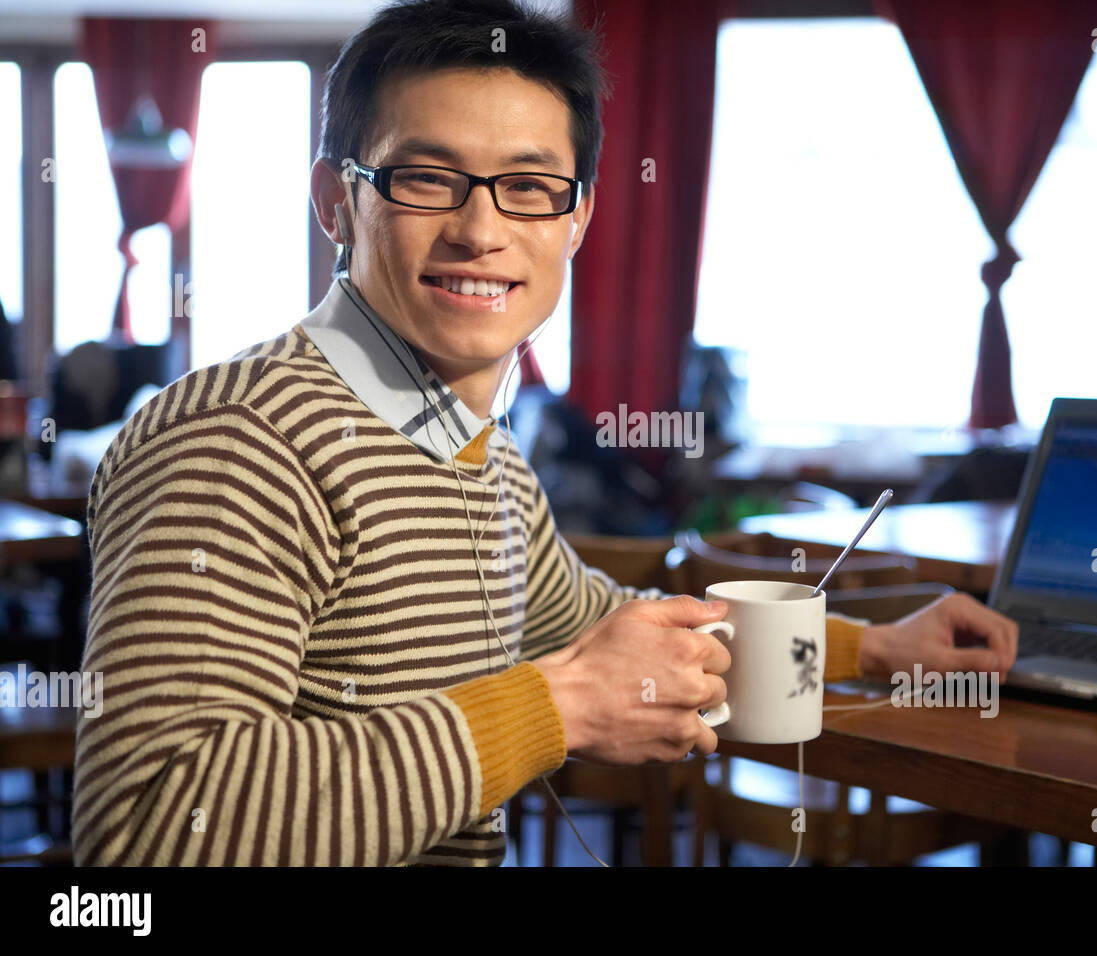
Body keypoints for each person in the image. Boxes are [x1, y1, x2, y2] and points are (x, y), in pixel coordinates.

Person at [71, 0, 1018, 867]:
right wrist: (556, 708)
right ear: (334, 200)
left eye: (529, 187)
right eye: (427, 178)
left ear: (577, 219)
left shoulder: (475, 449)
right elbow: (148, 825)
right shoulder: (235, 441)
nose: (482, 231)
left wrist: (878, 651)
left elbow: (614, 629)